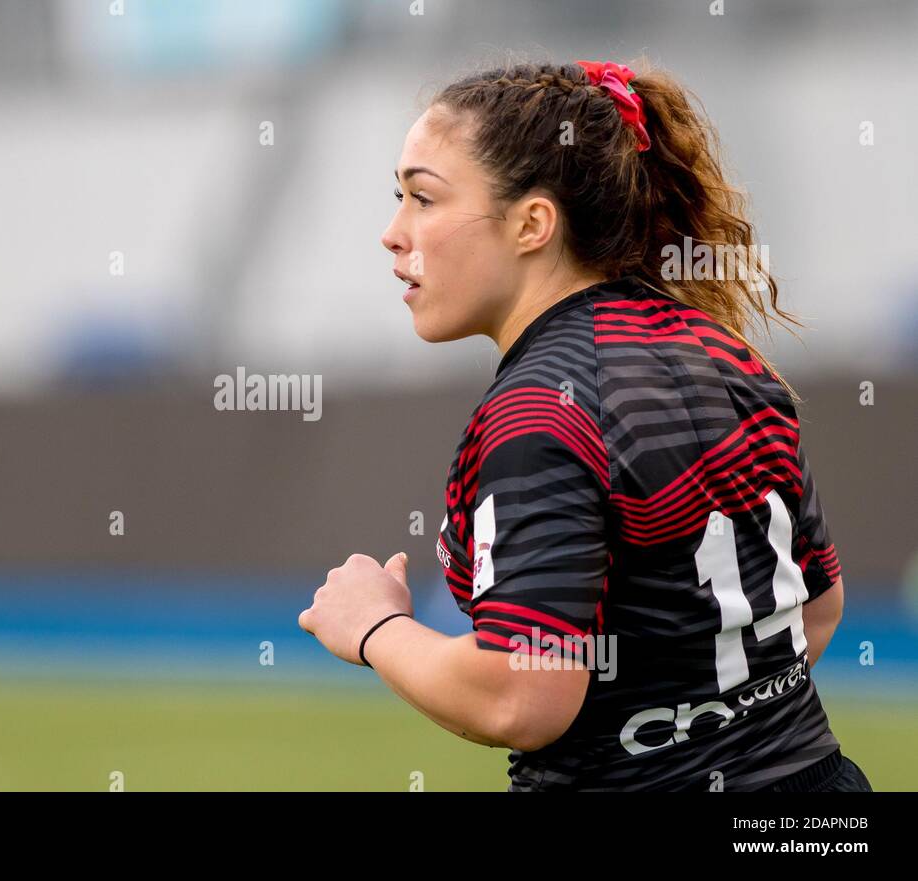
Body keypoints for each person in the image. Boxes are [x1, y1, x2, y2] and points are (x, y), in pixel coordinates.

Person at [297, 59, 872, 791]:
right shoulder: (724, 354)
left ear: (533, 223)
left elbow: (521, 693)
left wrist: (375, 628)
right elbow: (817, 610)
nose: (392, 232)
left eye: (422, 198)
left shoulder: (542, 408)